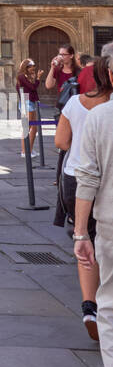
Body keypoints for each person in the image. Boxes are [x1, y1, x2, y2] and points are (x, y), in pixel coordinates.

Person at [55, 55, 111, 342]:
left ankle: (90, 306)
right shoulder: (107, 110)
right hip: (105, 184)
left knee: (85, 242)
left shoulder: (75, 103)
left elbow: (61, 142)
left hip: (74, 179)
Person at [73, 40, 113, 367]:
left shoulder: (101, 116)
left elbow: (86, 178)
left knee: (110, 308)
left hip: (110, 224)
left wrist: (80, 233)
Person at [16, 57, 42, 158]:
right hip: (26, 102)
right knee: (27, 128)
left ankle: (30, 149)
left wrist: (35, 78)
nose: (33, 68)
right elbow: (33, 87)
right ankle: (24, 151)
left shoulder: (27, 76)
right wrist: (38, 78)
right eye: (31, 67)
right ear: (26, 67)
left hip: (31, 102)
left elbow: (33, 88)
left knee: (34, 128)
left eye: (34, 66)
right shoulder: (21, 76)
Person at [45, 43, 79, 108]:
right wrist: (52, 67)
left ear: (71, 55)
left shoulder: (78, 71)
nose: (61, 57)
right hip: (62, 103)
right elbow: (48, 85)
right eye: (60, 54)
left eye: (64, 55)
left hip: (75, 104)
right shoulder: (57, 70)